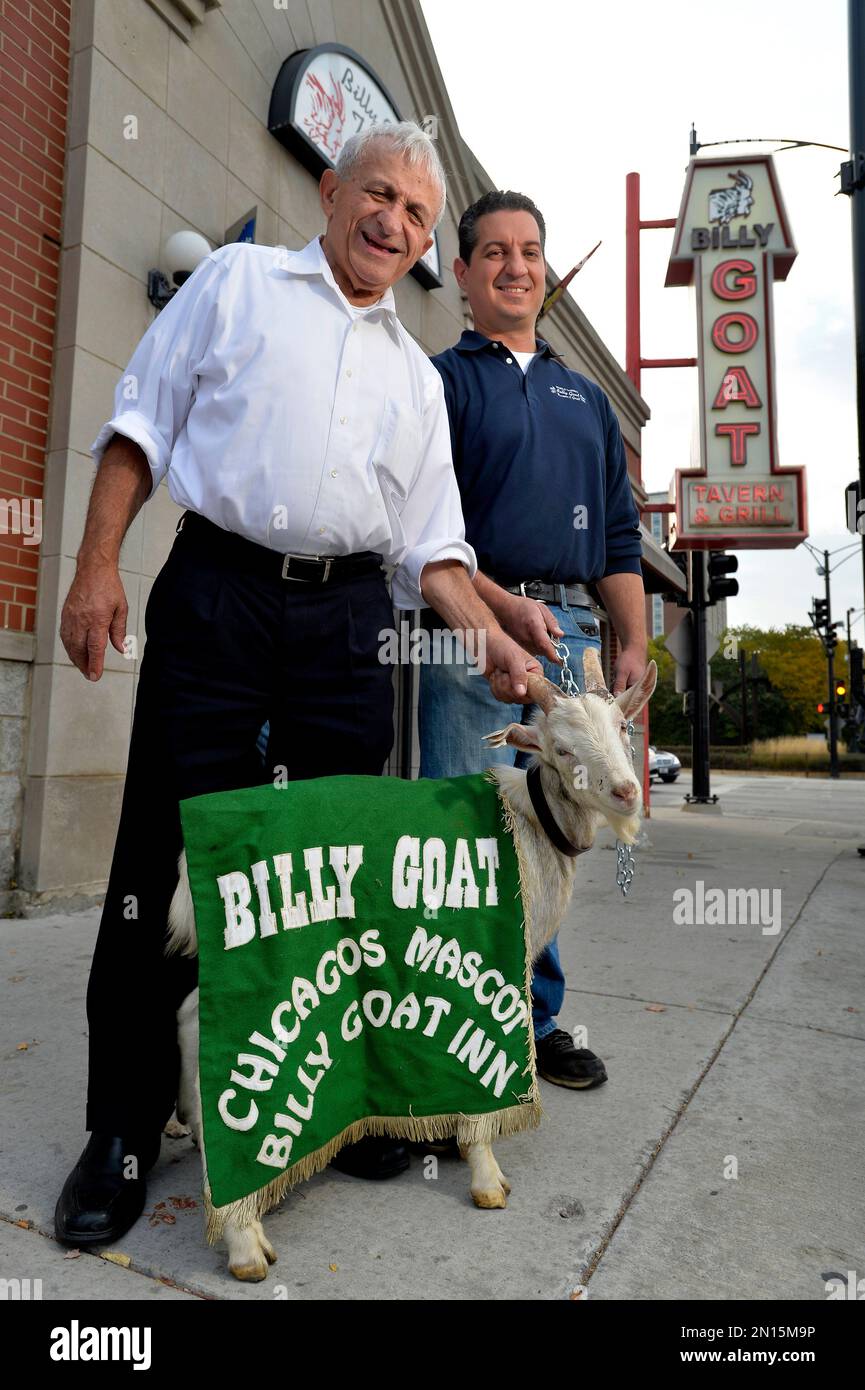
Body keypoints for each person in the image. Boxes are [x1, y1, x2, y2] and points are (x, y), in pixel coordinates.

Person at [54, 127, 541, 1247]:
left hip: (345, 622)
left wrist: (495, 641)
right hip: (218, 589)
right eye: (379, 193)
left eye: (419, 215)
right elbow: (138, 425)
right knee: (160, 854)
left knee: (323, 862)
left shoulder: (414, 378)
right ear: (329, 193)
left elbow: (433, 552)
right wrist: (90, 570)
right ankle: (124, 1127)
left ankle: (314, 1101)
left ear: (427, 244)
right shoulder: (235, 283)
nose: (396, 222)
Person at [419, 190, 647, 1090]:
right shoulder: (438, 379)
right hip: (466, 632)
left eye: (529, 251)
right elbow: (420, 524)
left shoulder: (585, 399)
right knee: (469, 832)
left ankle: (532, 1017)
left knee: (555, 837)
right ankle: (451, 1027)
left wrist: (629, 636)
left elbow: (620, 539)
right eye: (494, 253)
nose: (515, 266)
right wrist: (489, 612)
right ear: (466, 273)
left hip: (573, 642)